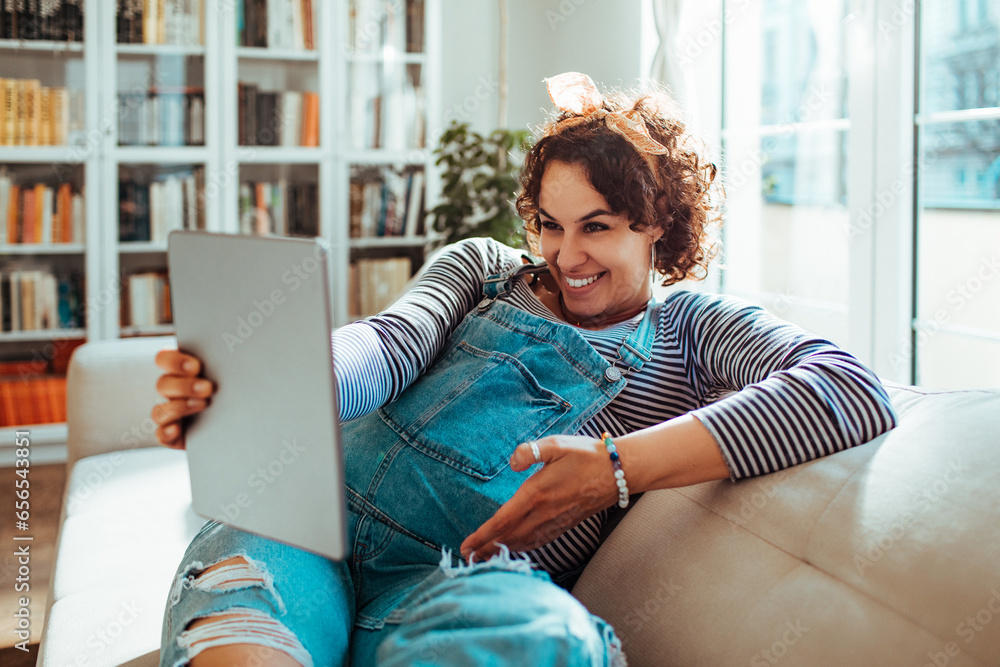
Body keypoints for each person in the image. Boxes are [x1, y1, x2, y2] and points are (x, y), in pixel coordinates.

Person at [152, 72, 897, 667]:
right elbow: (388, 343)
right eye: (549, 223)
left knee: (546, 642)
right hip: (308, 524)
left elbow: (847, 386)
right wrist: (281, 379)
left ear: (658, 223)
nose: (566, 257)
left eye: (596, 227)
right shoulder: (483, 268)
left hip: (459, 583)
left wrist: (615, 468)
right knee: (240, 626)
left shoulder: (694, 331)